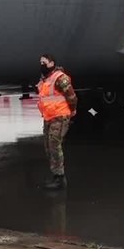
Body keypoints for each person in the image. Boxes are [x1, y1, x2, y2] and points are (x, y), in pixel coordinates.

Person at [36, 53, 77, 190]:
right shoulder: (45, 80)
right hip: (49, 118)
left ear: (52, 63)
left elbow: (71, 97)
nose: (42, 65)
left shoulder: (60, 78)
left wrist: (72, 110)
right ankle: (56, 174)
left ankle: (60, 178)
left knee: (54, 144)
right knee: (48, 147)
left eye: (44, 62)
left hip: (60, 116)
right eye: (40, 62)